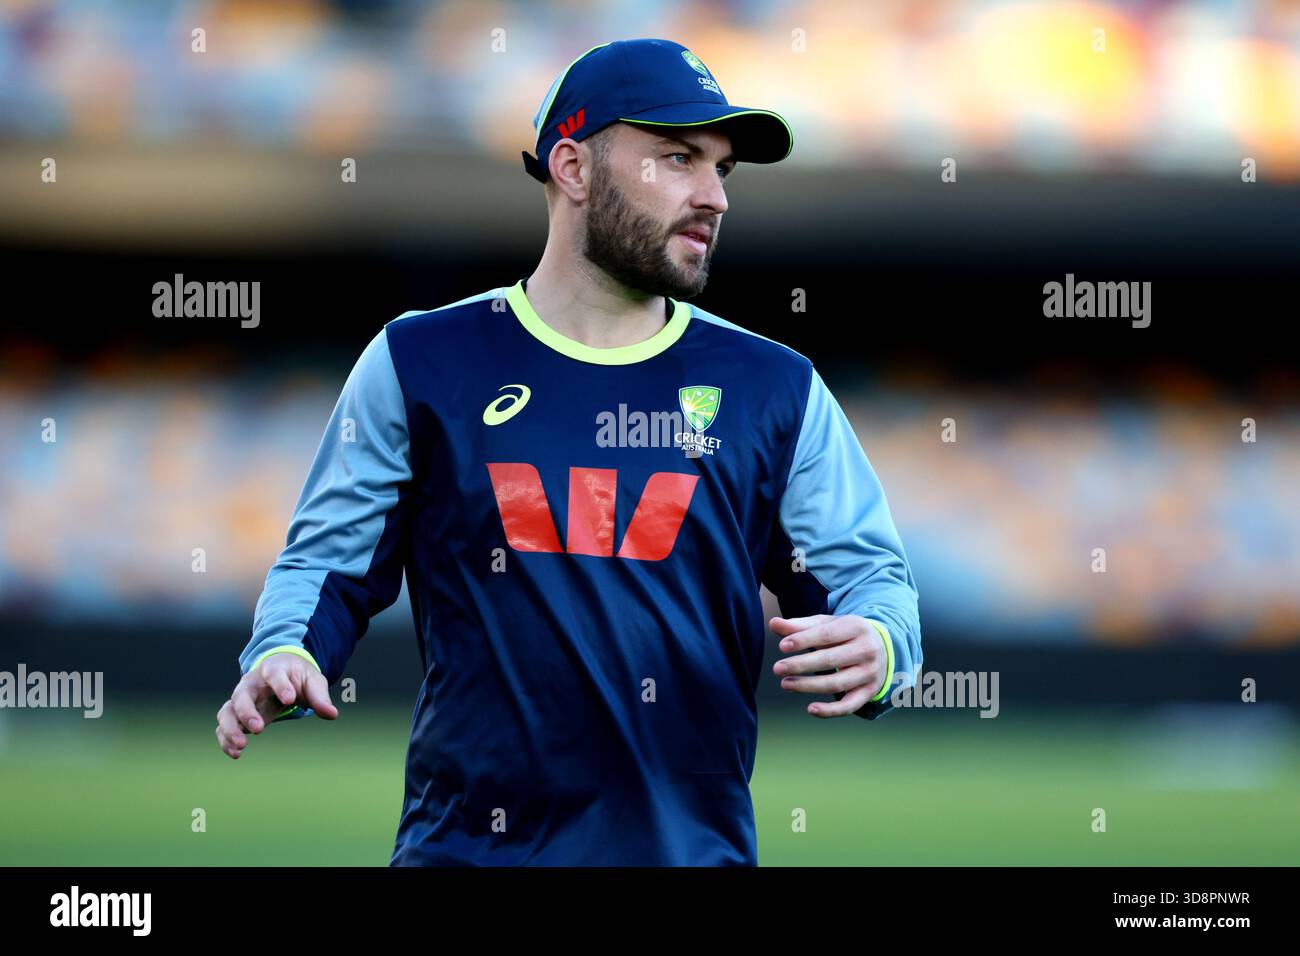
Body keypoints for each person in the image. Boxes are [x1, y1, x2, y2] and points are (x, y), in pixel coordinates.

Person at [216, 38, 921, 866]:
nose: (713, 196)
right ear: (573, 168)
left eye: (722, 169)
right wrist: (286, 651)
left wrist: (880, 644)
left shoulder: (777, 388)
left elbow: (873, 584)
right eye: (677, 157)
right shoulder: (419, 363)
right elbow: (325, 568)